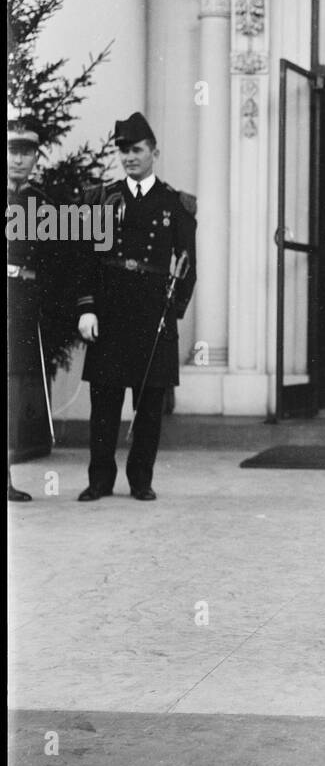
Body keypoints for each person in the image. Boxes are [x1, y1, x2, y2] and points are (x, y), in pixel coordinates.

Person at [75, 113, 196, 501]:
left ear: (154, 152)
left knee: (148, 406)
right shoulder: (100, 199)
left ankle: (141, 480)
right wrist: (87, 308)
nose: (129, 157)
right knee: (104, 403)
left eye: (137, 150)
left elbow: (188, 265)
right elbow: (85, 261)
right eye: (123, 150)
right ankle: (99, 480)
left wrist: (172, 314)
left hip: (153, 315)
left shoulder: (175, 204)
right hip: (109, 312)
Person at [7, 111, 56, 500]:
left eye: (27, 151)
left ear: (37, 157)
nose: (19, 159)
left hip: (22, 306)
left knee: (13, 390)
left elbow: (53, 258)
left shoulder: (40, 203)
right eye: (13, 150)